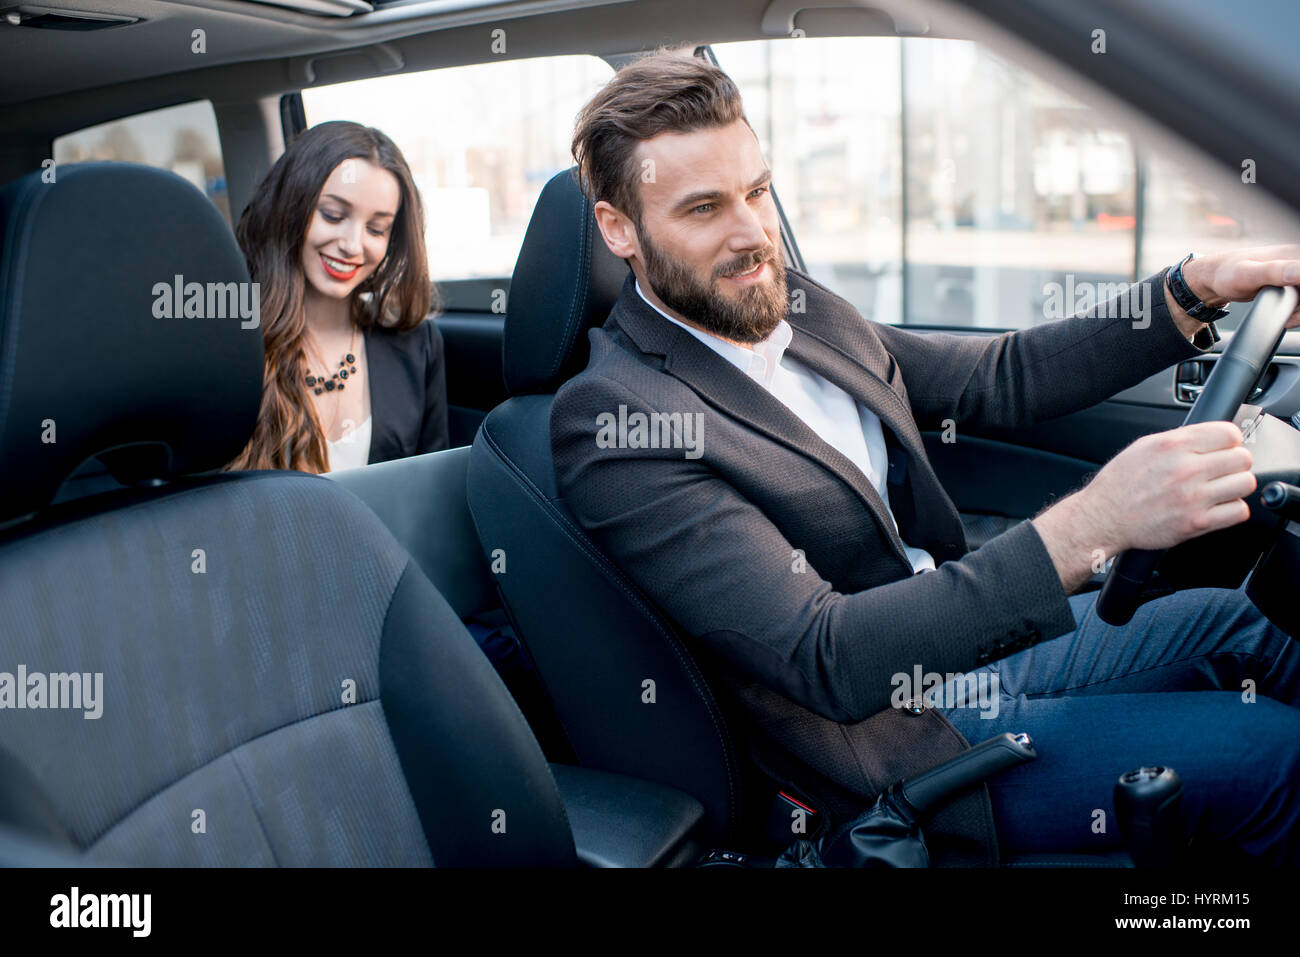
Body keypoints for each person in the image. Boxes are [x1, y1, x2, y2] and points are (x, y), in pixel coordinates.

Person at [550, 51, 1300, 864]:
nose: (752, 233)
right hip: (896, 745)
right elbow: (822, 654)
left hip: (973, 648)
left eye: (758, 192)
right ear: (618, 228)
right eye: (704, 209)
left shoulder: (792, 307)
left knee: (1264, 627)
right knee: (1277, 756)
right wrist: (1095, 523)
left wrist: (1190, 288)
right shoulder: (615, 419)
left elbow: (996, 374)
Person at [226, 121, 448, 473]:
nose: (351, 244)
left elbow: (431, 491)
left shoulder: (416, 346)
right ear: (290, 209)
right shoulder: (230, 341)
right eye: (333, 215)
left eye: (377, 229)